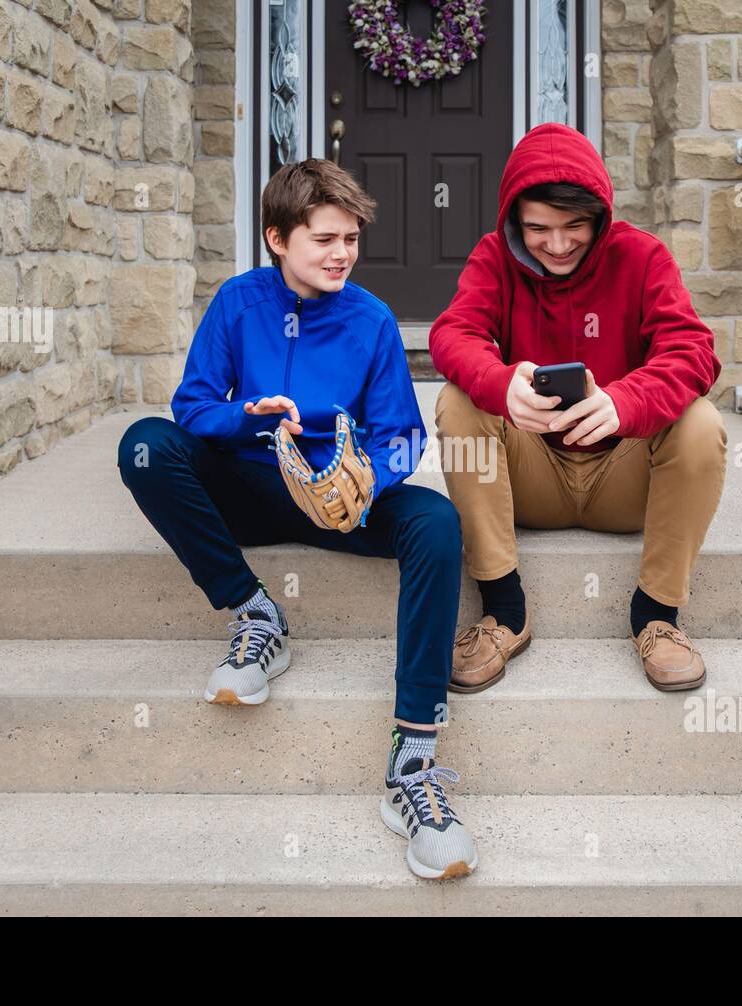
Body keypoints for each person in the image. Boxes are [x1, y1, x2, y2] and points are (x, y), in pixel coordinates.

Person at [116, 159, 477, 881]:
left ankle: (413, 759)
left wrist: (368, 481)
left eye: (350, 238)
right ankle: (256, 616)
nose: (342, 253)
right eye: (324, 239)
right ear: (278, 238)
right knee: (147, 448)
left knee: (436, 522)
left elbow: (403, 434)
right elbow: (192, 406)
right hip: (255, 483)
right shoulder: (237, 302)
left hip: (341, 503)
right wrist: (243, 418)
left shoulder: (372, 320)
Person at [430, 122, 728, 695]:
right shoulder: (493, 258)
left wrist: (626, 400)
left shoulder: (642, 257)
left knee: (701, 422)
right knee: (458, 399)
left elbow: (694, 351)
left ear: (600, 216)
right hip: (531, 479)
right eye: (538, 228)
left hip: (627, 480)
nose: (559, 244)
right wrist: (499, 381)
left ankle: (658, 617)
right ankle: (505, 612)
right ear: (514, 220)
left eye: (575, 227)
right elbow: (452, 334)